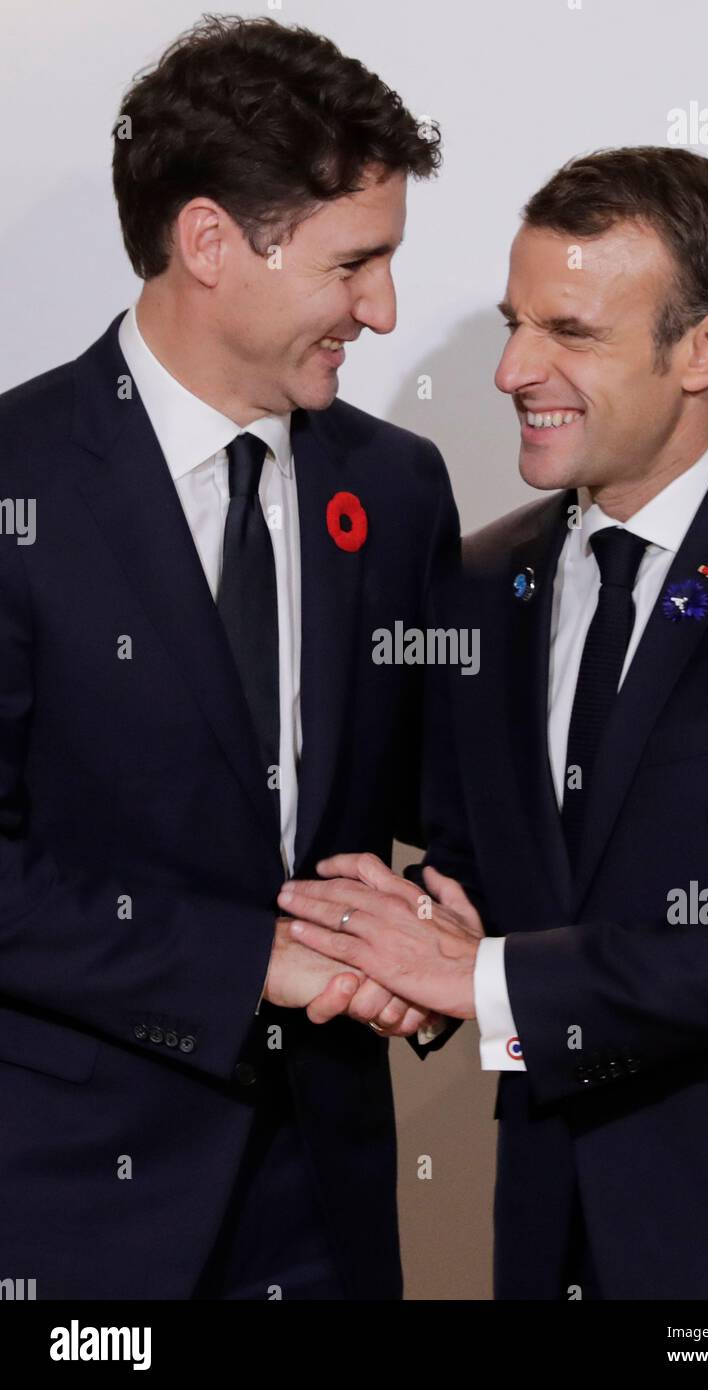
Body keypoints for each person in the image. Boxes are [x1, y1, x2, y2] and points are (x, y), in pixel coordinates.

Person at [282, 146, 708, 1300]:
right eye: (513, 322)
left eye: (570, 332)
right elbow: (492, 881)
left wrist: (488, 982)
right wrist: (403, 943)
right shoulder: (483, 582)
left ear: (707, 349)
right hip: (543, 1234)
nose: (510, 370)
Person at [0, 16, 456, 1300]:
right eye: (352, 264)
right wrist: (245, 959)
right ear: (209, 241)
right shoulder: (17, 480)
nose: (383, 310)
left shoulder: (399, 485)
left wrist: (452, 923)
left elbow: (443, 794)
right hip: (74, 1210)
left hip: (332, 1200)